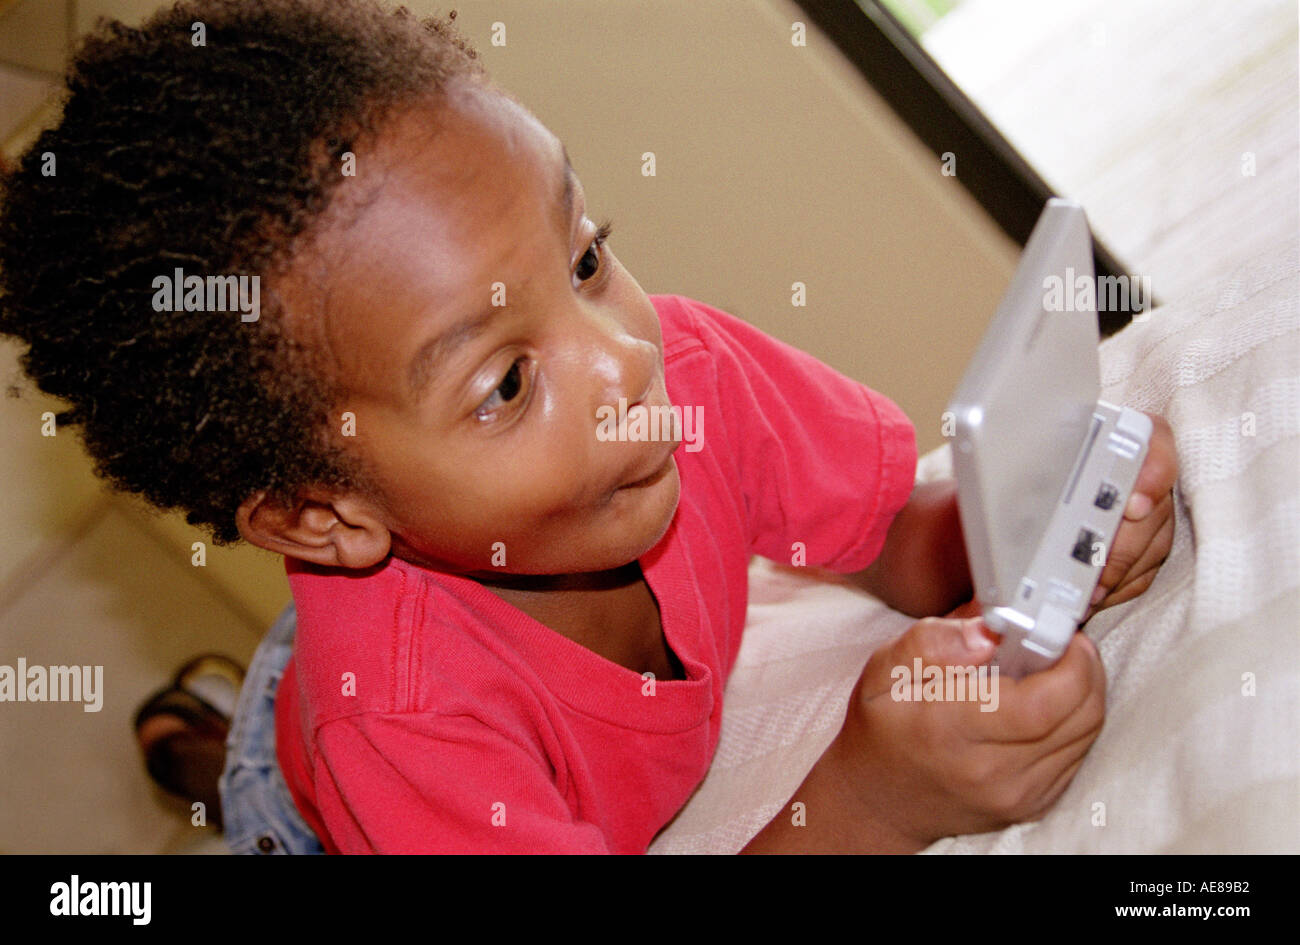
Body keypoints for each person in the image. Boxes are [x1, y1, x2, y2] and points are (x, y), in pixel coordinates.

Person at [0, 0, 1177, 853]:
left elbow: (892, 543)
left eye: (582, 258)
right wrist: (874, 798)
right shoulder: (404, 733)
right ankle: (218, 764)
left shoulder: (689, 371)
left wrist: (1023, 529)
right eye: (508, 383)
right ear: (322, 514)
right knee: (271, 801)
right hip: (313, 795)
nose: (624, 358)